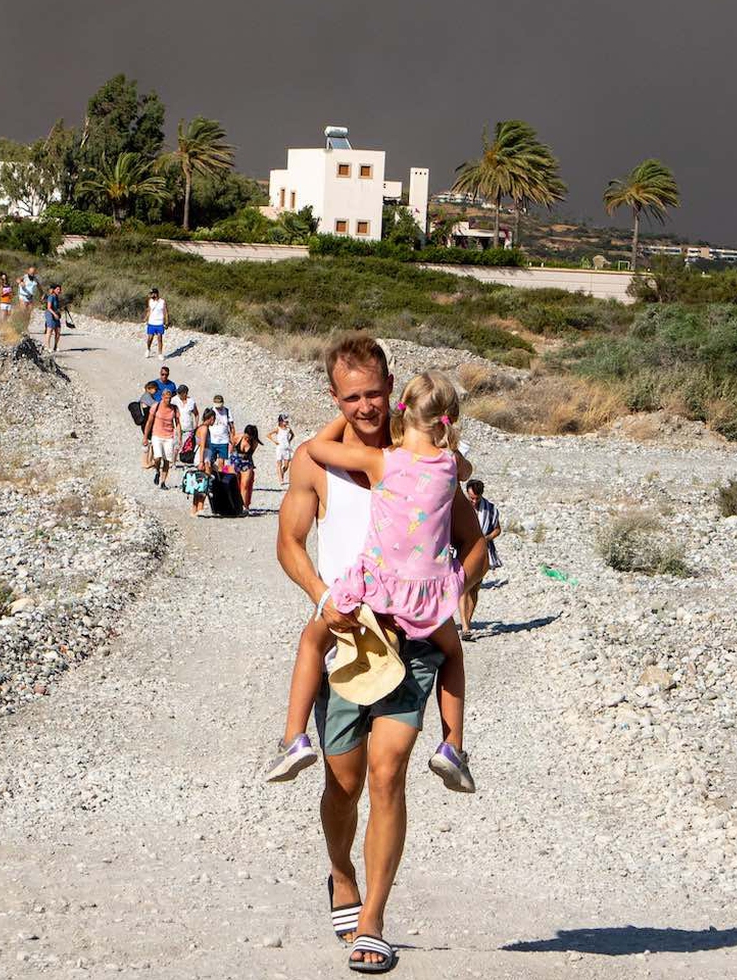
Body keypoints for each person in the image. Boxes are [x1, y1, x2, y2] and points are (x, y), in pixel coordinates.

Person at [270, 335, 489, 972]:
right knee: (345, 782)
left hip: (413, 636)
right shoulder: (321, 464)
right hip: (346, 636)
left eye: (375, 392)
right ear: (335, 399)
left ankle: (374, 922)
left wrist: (457, 586)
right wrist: (319, 596)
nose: (366, 406)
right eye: (352, 396)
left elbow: (473, 541)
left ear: (393, 386)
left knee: (388, 772)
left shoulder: (426, 457)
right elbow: (288, 541)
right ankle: (341, 874)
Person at [458, 480, 502, 641]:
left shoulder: (490, 509)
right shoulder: (460, 509)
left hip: (482, 553)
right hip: (462, 551)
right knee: (463, 587)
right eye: (471, 498)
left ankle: (467, 621)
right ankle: (465, 627)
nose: (474, 501)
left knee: (475, 588)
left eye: (476, 498)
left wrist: (487, 538)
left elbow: (497, 529)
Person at [141, 388, 179, 488]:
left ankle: (163, 482)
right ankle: (157, 471)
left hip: (169, 436)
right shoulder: (155, 406)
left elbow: (178, 423)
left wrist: (179, 437)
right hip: (157, 435)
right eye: (166, 398)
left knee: (167, 460)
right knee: (157, 457)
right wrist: (145, 437)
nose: (168, 400)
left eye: (169, 398)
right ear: (162, 397)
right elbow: (149, 422)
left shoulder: (174, 408)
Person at [231, 424, 262, 512]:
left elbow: (251, 453)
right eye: (246, 436)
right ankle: (234, 504)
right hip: (235, 460)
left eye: (250, 437)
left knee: (245, 485)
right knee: (235, 483)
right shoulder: (237, 437)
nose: (247, 439)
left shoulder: (254, 442)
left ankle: (244, 506)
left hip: (247, 462)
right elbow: (231, 448)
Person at [204, 394, 233, 468]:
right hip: (212, 441)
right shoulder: (210, 411)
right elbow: (205, 424)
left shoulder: (227, 411)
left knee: (221, 463)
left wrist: (232, 441)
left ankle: (220, 477)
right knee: (209, 462)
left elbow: (232, 427)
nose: (218, 408)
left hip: (224, 441)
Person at [270, 414, 296, 486]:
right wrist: (274, 441)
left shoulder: (288, 429)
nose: (287, 422)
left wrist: (289, 440)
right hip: (279, 448)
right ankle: (281, 480)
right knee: (279, 464)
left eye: (287, 421)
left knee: (286, 465)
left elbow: (293, 435)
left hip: (287, 448)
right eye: (285, 421)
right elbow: (269, 435)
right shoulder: (277, 429)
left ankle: (281, 473)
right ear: (281, 422)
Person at [144, 287, 168, 359]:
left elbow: (165, 312)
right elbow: (149, 310)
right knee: (150, 338)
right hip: (151, 322)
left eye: (152, 294)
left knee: (160, 338)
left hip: (159, 323)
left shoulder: (162, 302)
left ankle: (160, 354)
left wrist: (166, 322)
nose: (150, 295)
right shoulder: (150, 301)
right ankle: (148, 349)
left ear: (156, 294)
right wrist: (146, 318)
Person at [43, 284, 66, 352]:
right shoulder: (51, 297)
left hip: (56, 314)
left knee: (58, 331)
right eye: (57, 289)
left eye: (59, 289)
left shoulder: (56, 297)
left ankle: (55, 347)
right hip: (50, 314)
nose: (59, 291)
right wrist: (54, 314)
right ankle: (48, 347)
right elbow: (49, 308)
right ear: (54, 290)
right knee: (49, 330)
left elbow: (56, 307)